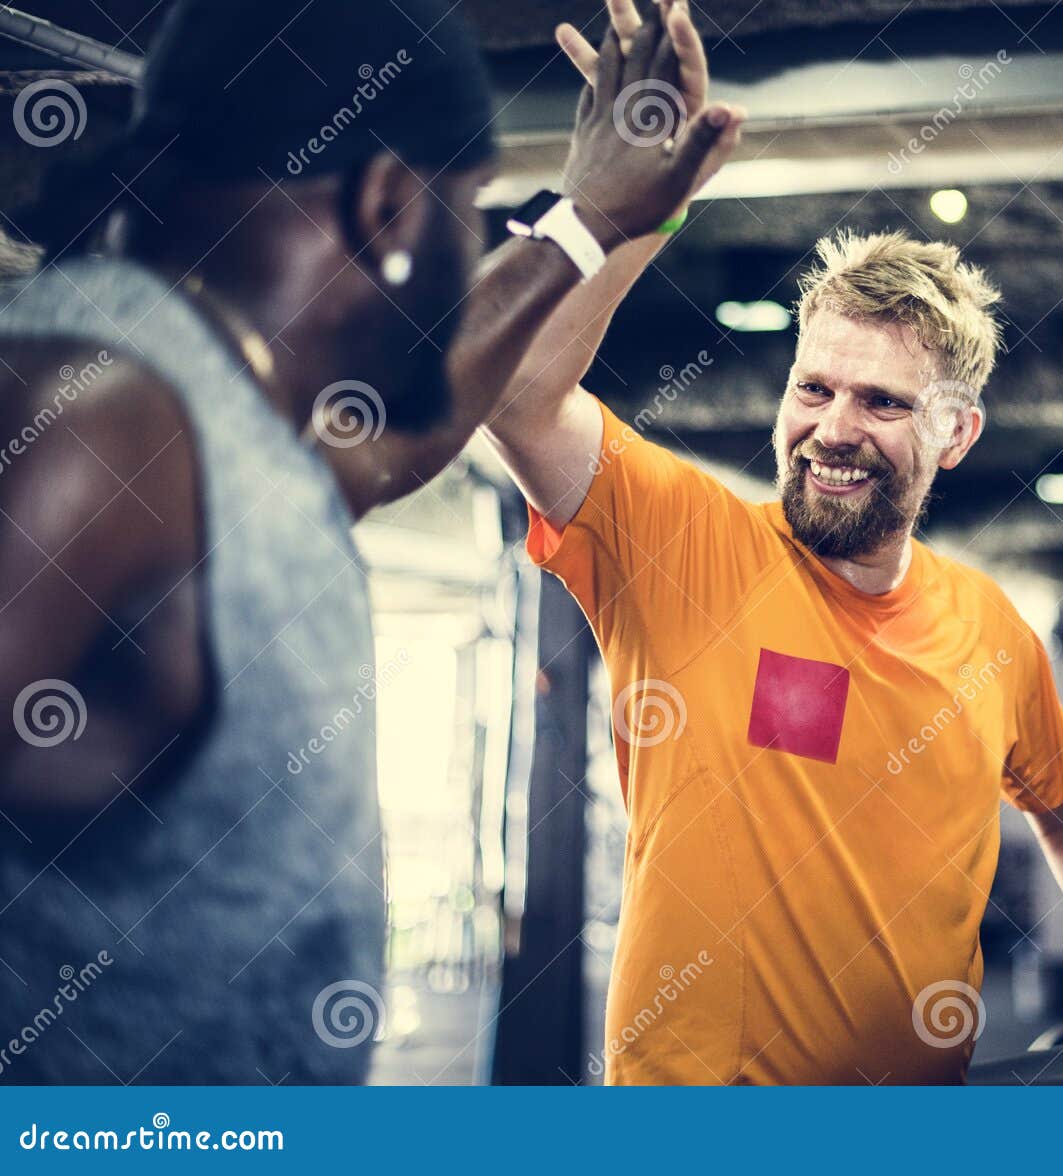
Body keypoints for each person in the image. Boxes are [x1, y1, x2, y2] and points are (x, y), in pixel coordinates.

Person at [0, 0, 739, 1083]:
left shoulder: (217, 417)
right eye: (472, 205)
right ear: (389, 202)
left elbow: (400, 440)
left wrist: (586, 218)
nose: (475, 233)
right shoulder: (95, 421)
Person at [474, 0, 1063, 1084]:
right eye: (813, 387)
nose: (834, 430)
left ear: (956, 434)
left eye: (884, 403)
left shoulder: (988, 627)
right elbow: (516, 395)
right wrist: (623, 213)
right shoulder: (683, 541)